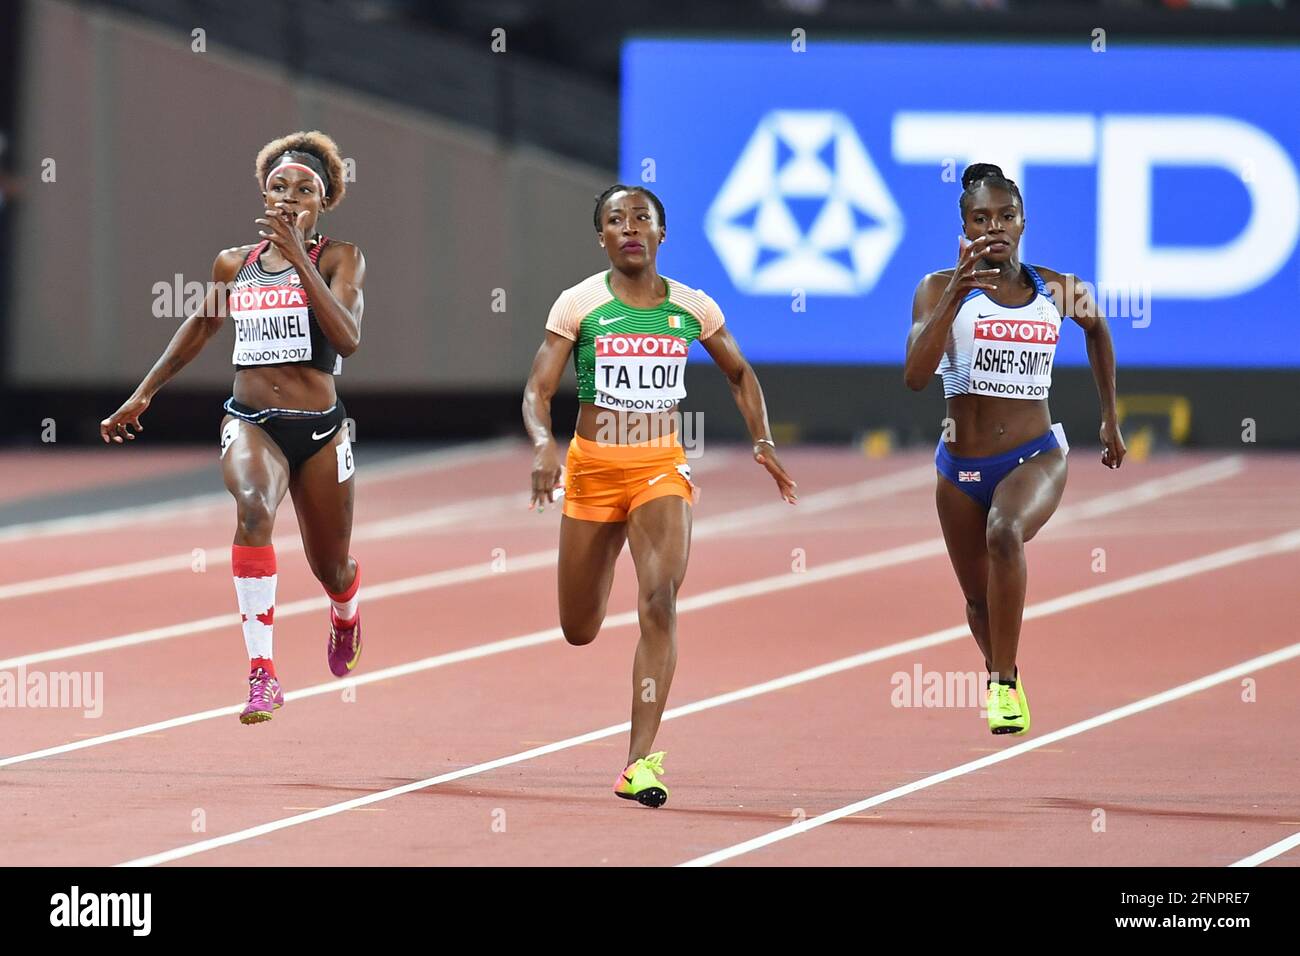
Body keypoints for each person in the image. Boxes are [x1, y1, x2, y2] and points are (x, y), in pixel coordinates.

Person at [522, 184, 798, 806]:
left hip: (659, 469)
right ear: (601, 237)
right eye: (615, 220)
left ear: (661, 233)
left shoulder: (692, 307)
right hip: (592, 470)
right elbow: (538, 390)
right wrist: (544, 444)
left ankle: (638, 762)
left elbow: (739, 372)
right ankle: (598, 591)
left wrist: (763, 442)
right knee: (579, 627)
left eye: (640, 218)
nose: (629, 228)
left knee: (660, 600)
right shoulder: (580, 303)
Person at [100, 131, 367, 724]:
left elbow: (347, 337)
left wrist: (300, 259)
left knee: (332, 566)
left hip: (321, 429)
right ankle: (262, 674)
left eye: (304, 189)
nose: (289, 197)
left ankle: (346, 608)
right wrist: (142, 395)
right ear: (264, 195)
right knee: (251, 507)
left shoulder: (339, 257)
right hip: (251, 422)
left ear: (322, 202)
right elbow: (199, 326)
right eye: (279, 187)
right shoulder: (234, 262)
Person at [904, 162, 1125, 735]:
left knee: (1004, 532)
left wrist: (1109, 419)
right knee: (978, 605)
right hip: (959, 467)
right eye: (981, 218)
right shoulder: (936, 288)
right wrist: (955, 292)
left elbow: (1098, 329)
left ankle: (1000, 686)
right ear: (964, 226)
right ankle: (1007, 672)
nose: (993, 227)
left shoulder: (1055, 289)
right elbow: (915, 376)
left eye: (1005, 216)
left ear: (1023, 222)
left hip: (1035, 455)